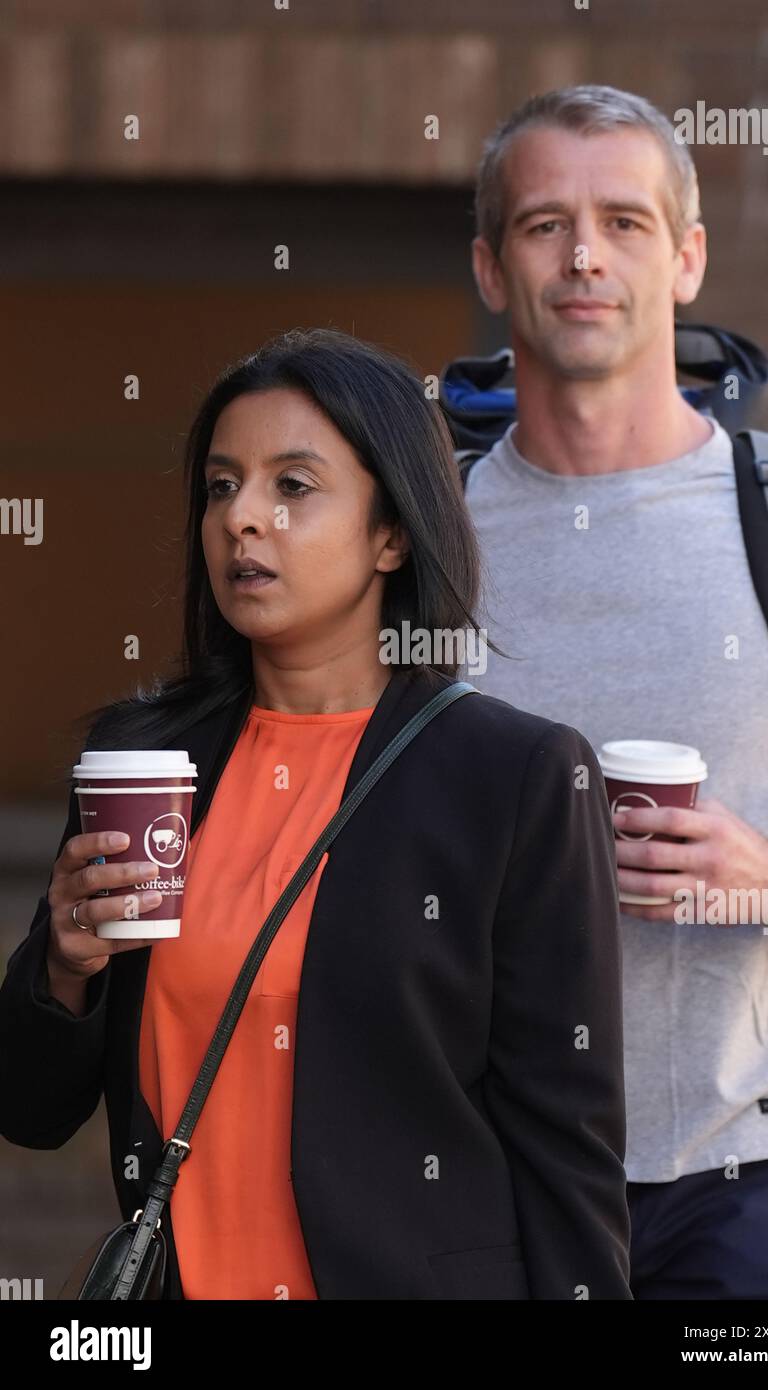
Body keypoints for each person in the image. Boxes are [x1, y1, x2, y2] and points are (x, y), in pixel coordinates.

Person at [0, 327, 630, 1301]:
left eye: (291, 486)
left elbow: (566, 1149)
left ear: (391, 533)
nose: (241, 518)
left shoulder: (514, 778)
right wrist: (65, 967)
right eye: (219, 486)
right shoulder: (144, 759)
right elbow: (30, 1106)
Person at [461, 84, 768, 1299]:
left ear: (685, 258)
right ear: (489, 268)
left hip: (757, 1177)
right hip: (494, 1170)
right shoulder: (421, 546)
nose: (584, 254)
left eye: (625, 222)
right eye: (543, 224)